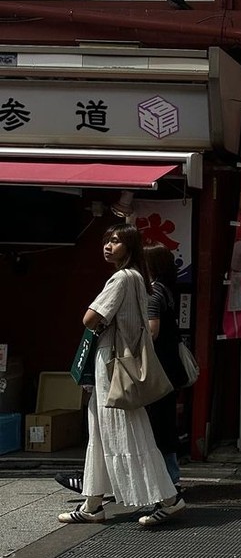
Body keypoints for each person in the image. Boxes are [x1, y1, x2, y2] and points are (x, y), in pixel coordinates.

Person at [57, 225, 185, 528]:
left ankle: (170, 499)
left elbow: (89, 318)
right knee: (103, 432)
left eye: (115, 241)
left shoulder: (121, 279)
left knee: (126, 431)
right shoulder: (139, 278)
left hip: (112, 364)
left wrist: (101, 322)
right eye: (107, 240)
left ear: (130, 247)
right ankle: (92, 505)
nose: (108, 246)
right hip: (120, 363)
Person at [144, 243, 186, 492]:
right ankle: (172, 477)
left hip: (158, 369)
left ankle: (167, 479)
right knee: (165, 422)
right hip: (170, 369)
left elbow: (152, 331)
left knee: (157, 423)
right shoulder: (167, 290)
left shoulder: (153, 293)